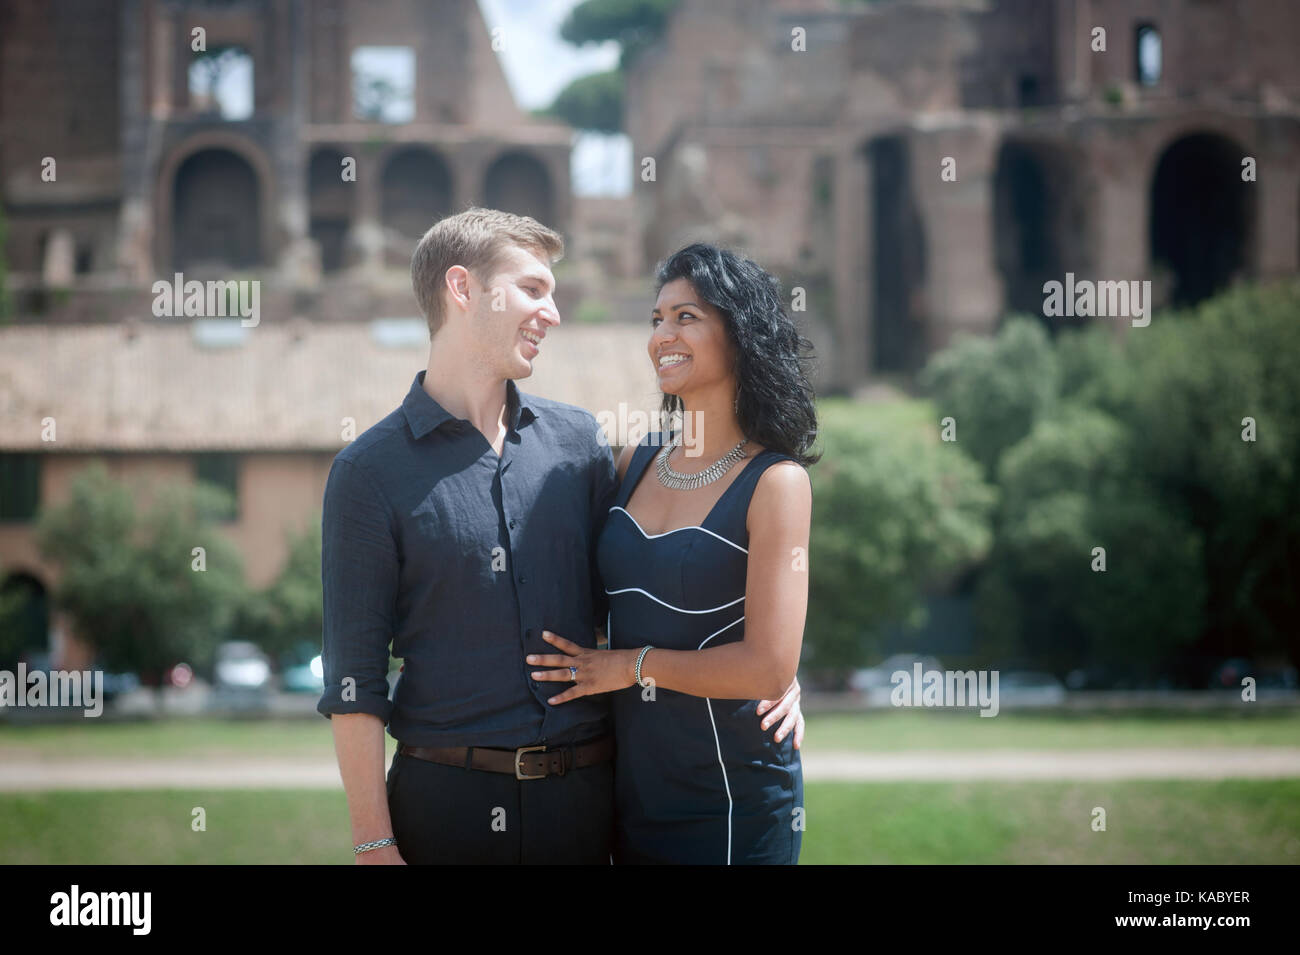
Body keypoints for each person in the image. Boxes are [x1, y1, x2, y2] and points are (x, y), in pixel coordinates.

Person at [318, 209, 803, 865]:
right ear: (462, 289)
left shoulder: (583, 447)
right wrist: (373, 841)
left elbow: (658, 581)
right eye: (533, 290)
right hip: (443, 808)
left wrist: (772, 672)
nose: (552, 313)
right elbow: (354, 682)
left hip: (588, 807)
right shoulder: (367, 473)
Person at [525, 242, 819, 864]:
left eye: (686, 316)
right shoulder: (634, 462)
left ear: (740, 334)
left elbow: (767, 666)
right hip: (628, 787)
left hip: (734, 795)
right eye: (657, 319)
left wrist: (629, 666)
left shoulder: (776, 483)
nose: (663, 335)